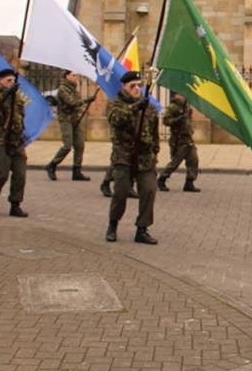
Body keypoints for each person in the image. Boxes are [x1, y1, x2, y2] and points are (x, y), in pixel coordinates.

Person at [105, 71, 159, 244]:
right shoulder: (116, 104)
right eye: (132, 86)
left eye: (138, 86)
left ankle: (142, 229)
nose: (136, 89)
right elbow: (116, 119)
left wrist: (155, 151)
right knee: (120, 192)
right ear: (124, 87)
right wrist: (136, 107)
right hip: (124, 157)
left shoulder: (148, 107)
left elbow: (154, 131)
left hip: (145, 158)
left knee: (149, 190)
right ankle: (113, 225)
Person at [0, 69, 29, 218]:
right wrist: (8, 93)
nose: (12, 83)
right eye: (9, 80)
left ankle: (15, 204)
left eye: (13, 81)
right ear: (1, 80)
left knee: (20, 175)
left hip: (17, 140)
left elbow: (20, 115)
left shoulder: (17, 96)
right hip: (2, 140)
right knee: (1, 175)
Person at [45, 71, 95, 181]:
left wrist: (83, 108)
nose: (75, 77)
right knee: (67, 145)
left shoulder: (74, 89)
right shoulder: (63, 89)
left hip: (75, 119)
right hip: (66, 120)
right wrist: (86, 100)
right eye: (73, 75)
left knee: (80, 145)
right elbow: (71, 102)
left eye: (76, 75)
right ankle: (52, 165)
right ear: (67, 76)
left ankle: (76, 170)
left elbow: (77, 104)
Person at [157, 92, 200, 192]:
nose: (183, 96)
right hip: (178, 139)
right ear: (177, 95)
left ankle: (189, 182)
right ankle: (162, 179)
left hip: (188, 139)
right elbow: (166, 121)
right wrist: (177, 120)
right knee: (175, 162)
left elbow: (189, 120)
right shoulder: (173, 107)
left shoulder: (187, 106)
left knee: (193, 160)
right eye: (181, 94)